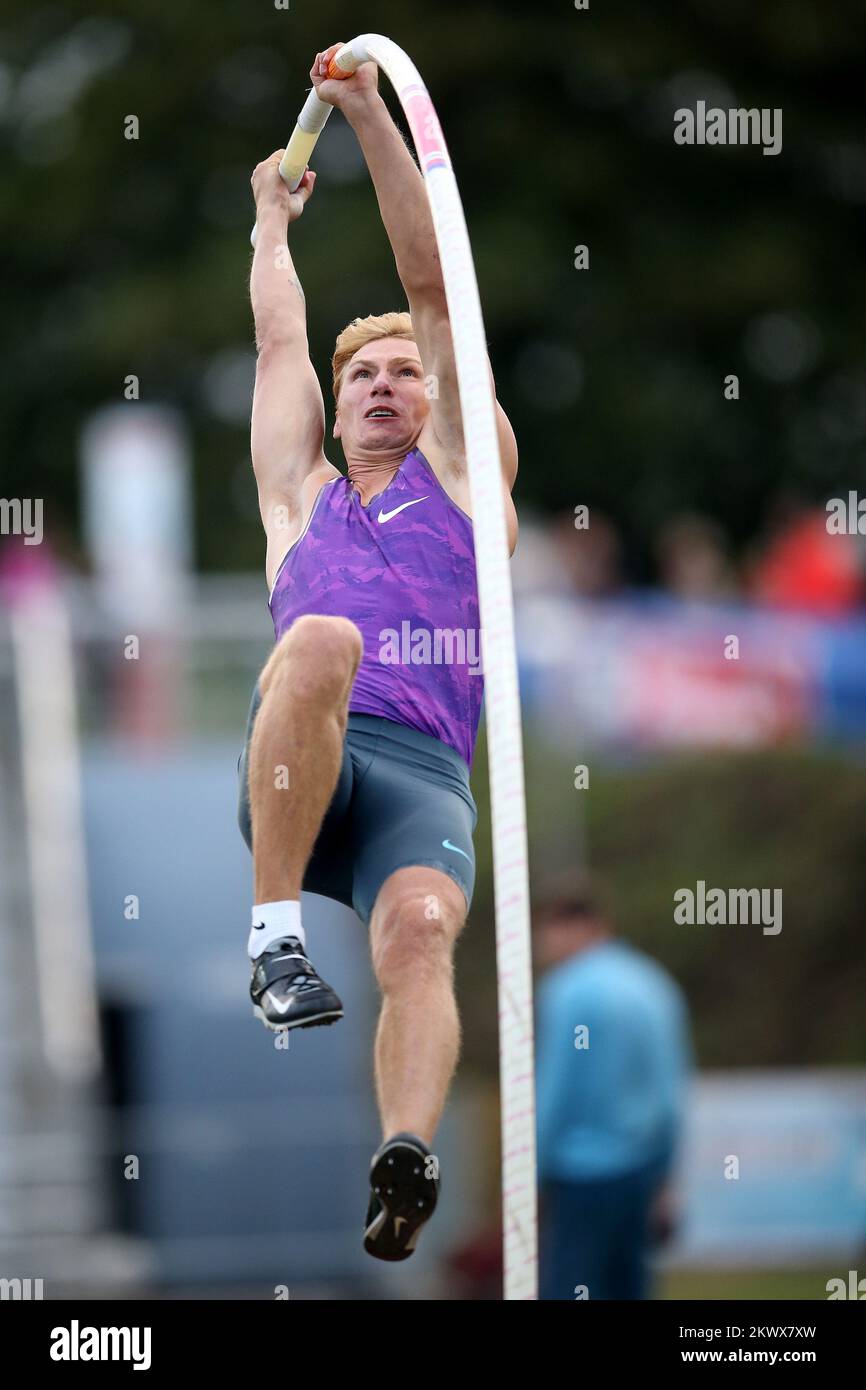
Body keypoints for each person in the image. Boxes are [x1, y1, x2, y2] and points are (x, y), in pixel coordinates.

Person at [236, 43, 519, 1263]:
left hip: (419, 778)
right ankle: (274, 941)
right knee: (322, 636)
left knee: (417, 933)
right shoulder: (294, 503)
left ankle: (403, 1152)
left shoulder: (463, 479)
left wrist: (366, 118)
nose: (388, 384)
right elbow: (274, 344)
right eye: (366, 373)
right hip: (309, 765)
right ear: (339, 399)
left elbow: (433, 284)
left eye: (406, 371)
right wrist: (270, 227)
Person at [533, 871, 693, 1299]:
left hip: (579, 1175)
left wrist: (530, 1171)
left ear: (575, 927)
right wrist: (666, 1175)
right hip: (640, 1172)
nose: (541, 946)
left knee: (572, 1287)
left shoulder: (567, 991)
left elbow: (555, 1090)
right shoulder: (654, 985)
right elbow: (670, 1094)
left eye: (546, 932)